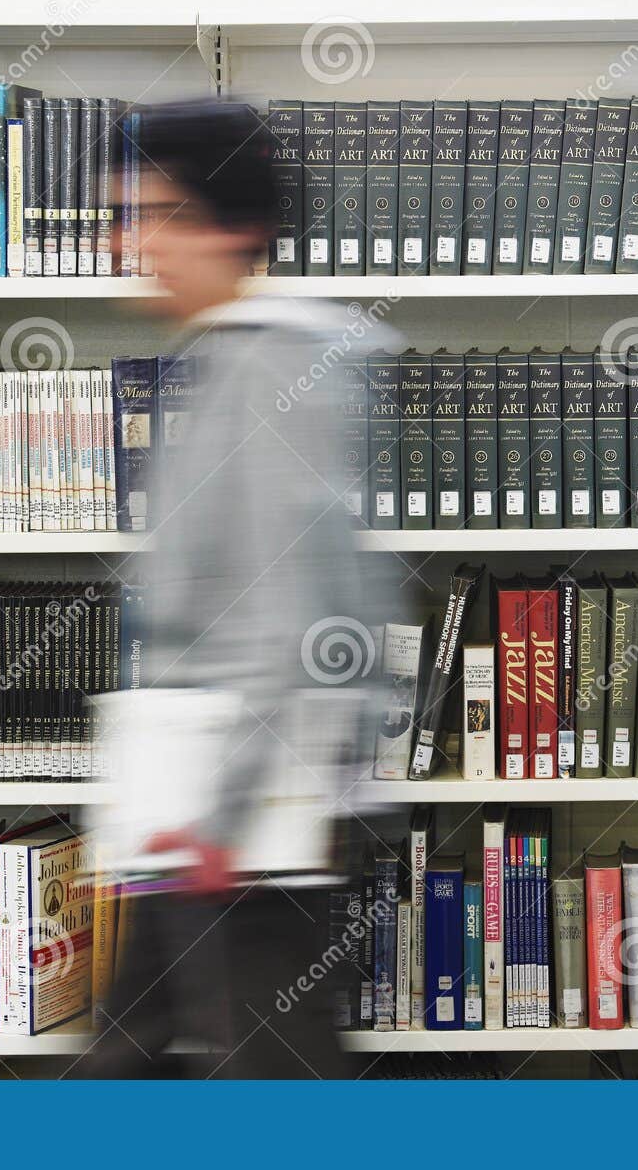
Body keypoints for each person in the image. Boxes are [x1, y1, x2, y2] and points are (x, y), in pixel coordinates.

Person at [81, 99, 384, 1079]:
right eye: (127, 214)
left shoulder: (269, 371)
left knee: (264, 1078)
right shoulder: (227, 360)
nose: (137, 242)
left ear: (237, 229)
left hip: (239, 817)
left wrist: (216, 819)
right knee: (128, 1057)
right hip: (201, 802)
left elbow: (288, 613)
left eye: (162, 214)